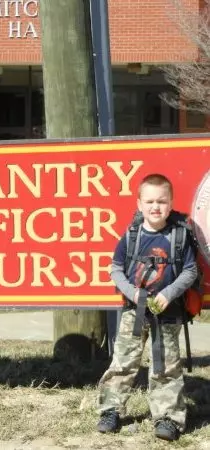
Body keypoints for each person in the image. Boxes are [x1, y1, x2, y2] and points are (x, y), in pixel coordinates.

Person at [96, 173, 198, 442]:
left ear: (171, 202)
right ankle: (110, 410)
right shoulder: (132, 234)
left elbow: (190, 271)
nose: (156, 207)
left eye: (162, 201)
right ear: (139, 203)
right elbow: (115, 269)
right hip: (134, 311)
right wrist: (134, 293)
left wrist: (168, 293)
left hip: (168, 312)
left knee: (165, 365)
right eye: (150, 201)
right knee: (123, 362)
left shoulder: (179, 235)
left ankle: (168, 417)